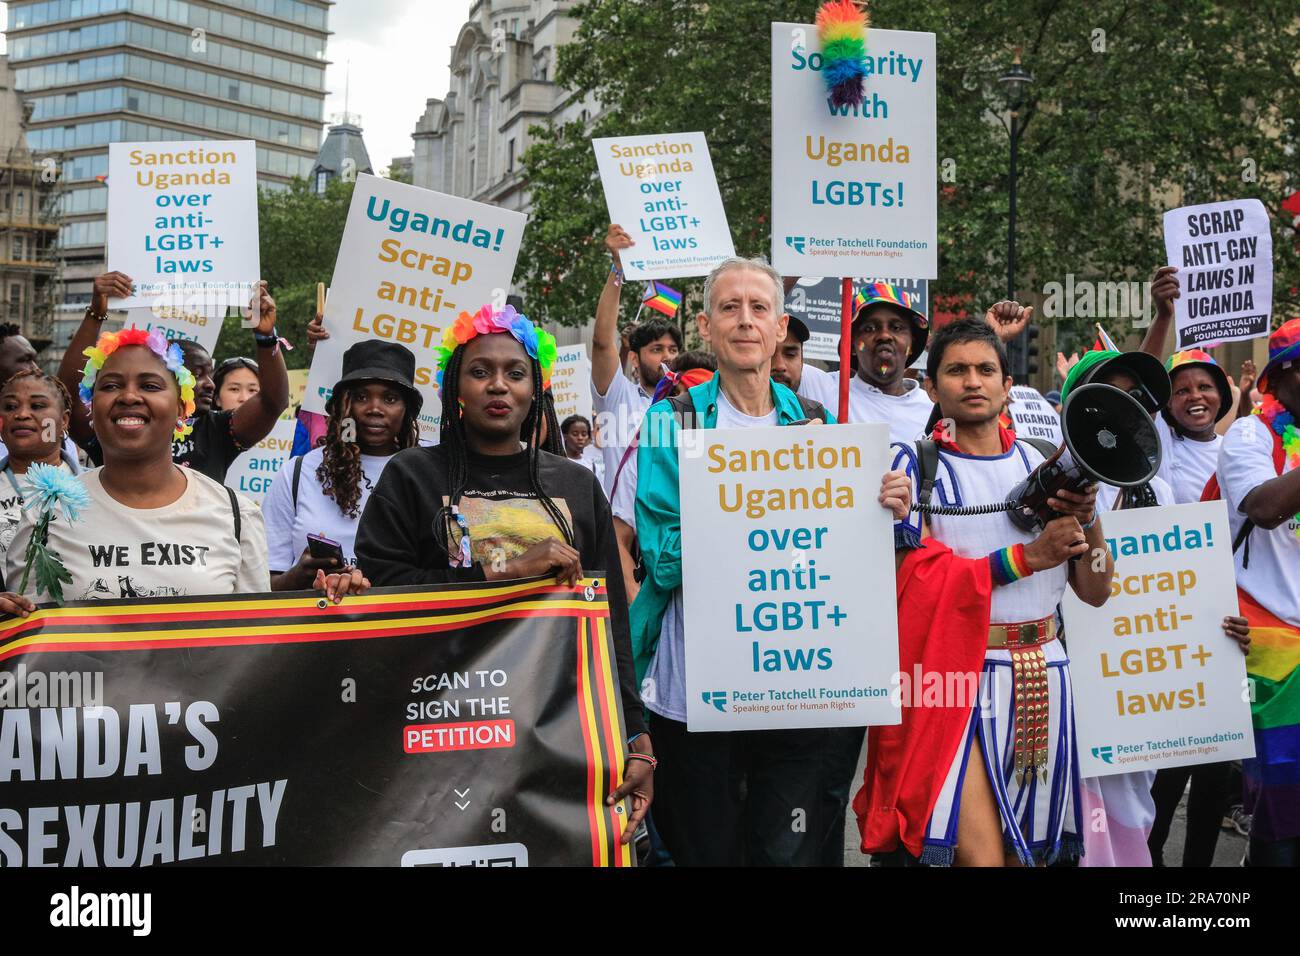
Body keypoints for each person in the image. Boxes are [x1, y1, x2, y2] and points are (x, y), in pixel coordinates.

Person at [631, 256, 910, 866]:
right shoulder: (669, 421)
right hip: (695, 695)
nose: (745, 321)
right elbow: (662, 557)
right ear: (706, 326)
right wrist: (761, 517)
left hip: (795, 686)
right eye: (729, 307)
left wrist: (881, 505)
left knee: (786, 853)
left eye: (758, 308)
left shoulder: (815, 425)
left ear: (781, 328)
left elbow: (841, 555)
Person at [353, 303, 653, 844]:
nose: (498, 385)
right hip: (439, 728)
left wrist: (635, 736)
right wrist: (505, 571)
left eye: (515, 373)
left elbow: (610, 624)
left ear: (535, 388)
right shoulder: (412, 475)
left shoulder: (578, 485)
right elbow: (382, 594)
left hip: (556, 729)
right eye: (480, 371)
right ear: (456, 389)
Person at [857, 318, 1113, 867]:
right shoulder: (915, 466)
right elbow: (914, 583)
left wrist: (1088, 520)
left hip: (1045, 674)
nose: (972, 381)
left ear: (1005, 384)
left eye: (985, 369)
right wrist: (1025, 558)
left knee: (1029, 855)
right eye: (956, 370)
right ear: (932, 386)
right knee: (981, 857)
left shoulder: (1044, 461)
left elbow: (1095, 589)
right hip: (957, 681)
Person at [2, 327, 362, 610]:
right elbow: (29, 646)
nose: (129, 396)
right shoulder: (45, 515)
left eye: (150, 385)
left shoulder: (236, 516)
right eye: (110, 385)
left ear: (181, 410)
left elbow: (251, 648)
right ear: (90, 408)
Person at [59, 273, 290, 482]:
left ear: (180, 406)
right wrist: (95, 314)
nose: (209, 384)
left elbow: (272, 402)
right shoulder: (113, 427)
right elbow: (68, 394)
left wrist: (266, 338)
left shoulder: (216, 431)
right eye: (195, 375)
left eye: (209, 374)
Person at [1215, 317, 1300, 867]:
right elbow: (1266, 509)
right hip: (1271, 653)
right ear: (1288, 372)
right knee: (1280, 823)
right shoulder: (1250, 433)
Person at [263, 341, 421, 591]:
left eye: (390, 399)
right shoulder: (297, 472)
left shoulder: (425, 475)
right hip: (314, 624)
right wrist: (299, 576)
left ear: (407, 410)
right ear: (343, 406)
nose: (375, 409)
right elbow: (263, 583)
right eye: (361, 397)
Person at [592, 224, 682, 493]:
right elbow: (601, 343)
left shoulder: (688, 406)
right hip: (620, 530)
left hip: (668, 529)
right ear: (634, 358)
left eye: (673, 349)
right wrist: (618, 267)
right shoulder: (618, 396)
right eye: (656, 349)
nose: (667, 356)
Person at [0, 368, 80, 573]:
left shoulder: (99, 486)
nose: (21, 414)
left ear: (64, 420)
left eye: (37, 406)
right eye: (10, 406)